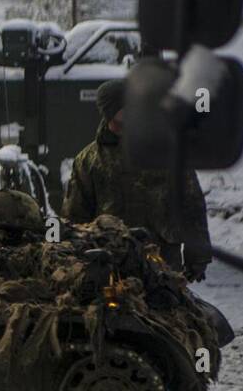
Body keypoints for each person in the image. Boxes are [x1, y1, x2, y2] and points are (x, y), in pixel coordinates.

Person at [63, 79, 212, 281]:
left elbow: (191, 204)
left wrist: (198, 256)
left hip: (163, 257)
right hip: (111, 260)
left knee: (167, 308)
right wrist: (74, 259)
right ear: (109, 114)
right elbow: (75, 216)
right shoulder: (89, 160)